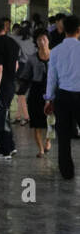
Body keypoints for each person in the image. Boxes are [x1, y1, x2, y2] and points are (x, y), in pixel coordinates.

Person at [45, 15, 80, 179]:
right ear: (79, 30)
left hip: (63, 96)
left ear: (63, 30)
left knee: (64, 135)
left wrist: (49, 98)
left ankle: (66, 171)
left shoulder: (56, 51)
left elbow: (51, 77)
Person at [0, 18, 21, 160]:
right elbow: (16, 65)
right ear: (4, 28)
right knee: (3, 116)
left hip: (1, 85)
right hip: (10, 83)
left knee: (0, 117)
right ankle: (8, 147)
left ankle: (6, 149)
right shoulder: (13, 42)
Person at [28, 30, 51, 157]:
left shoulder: (55, 56)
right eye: (39, 40)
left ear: (48, 40)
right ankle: (41, 149)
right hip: (36, 90)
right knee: (37, 121)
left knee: (50, 121)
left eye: (44, 39)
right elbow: (26, 75)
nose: (41, 42)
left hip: (51, 90)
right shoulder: (32, 58)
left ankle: (48, 141)